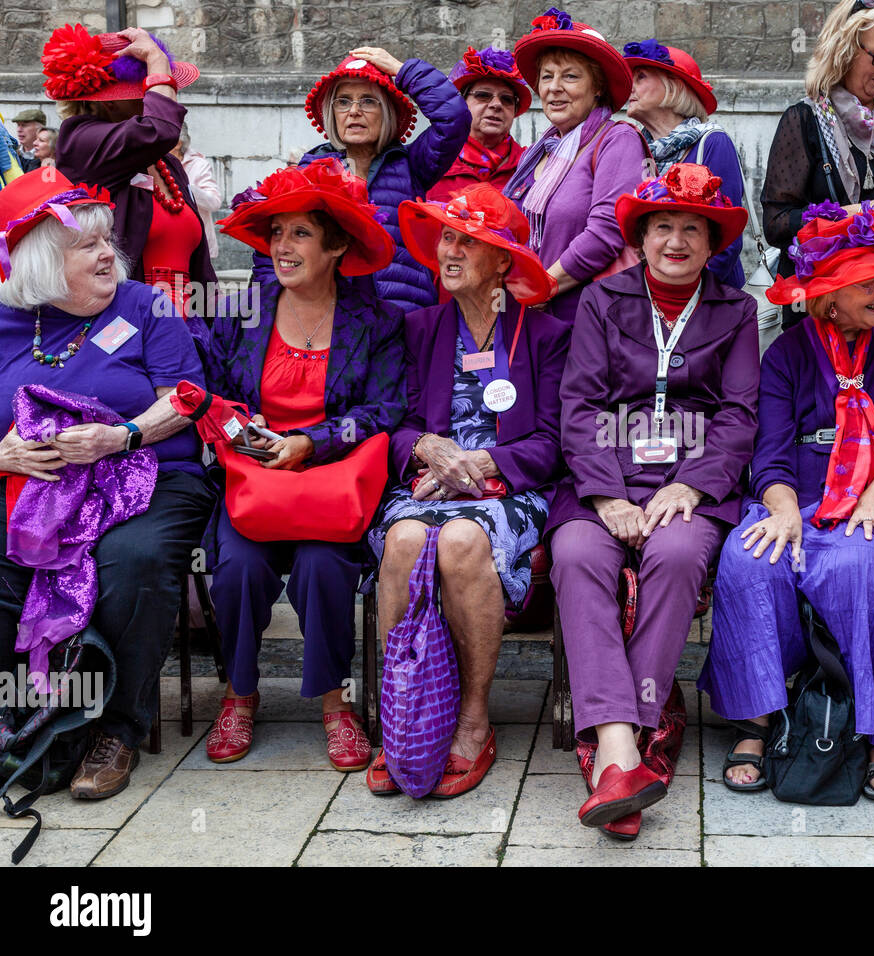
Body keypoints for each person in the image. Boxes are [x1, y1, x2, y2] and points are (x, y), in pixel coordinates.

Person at [698, 202, 874, 800]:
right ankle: (757, 719)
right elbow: (772, 453)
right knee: (749, 560)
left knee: (860, 562)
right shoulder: (786, 354)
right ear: (830, 297)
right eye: (872, 283)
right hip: (798, 497)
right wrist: (782, 510)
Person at [548, 163, 756, 837]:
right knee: (578, 552)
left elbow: (738, 413)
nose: (676, 240)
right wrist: (606, 496)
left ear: (710, 241)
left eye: (691, 228)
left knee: (675, 552)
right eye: (662, 226)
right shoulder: (603, 301)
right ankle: (622, 748)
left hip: (691, 485)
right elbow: (577, 403)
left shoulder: (736, 309)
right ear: (641, 236)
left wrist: (692, 484)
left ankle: (623, 743)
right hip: (605, 477)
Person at [0, 169, 213, 798]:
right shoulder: (6, 319)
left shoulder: (145, 305)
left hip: (150, 475)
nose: (108, 255)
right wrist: (2, 455)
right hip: (35, 489)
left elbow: (188, 397)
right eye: (87, 246)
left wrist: (122, 436)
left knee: (134, 559)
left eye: (106, 242)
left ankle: (115, 729)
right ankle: (27, 719)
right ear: (41, 263)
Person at [203, 159, 406, 771]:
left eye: (299, 234)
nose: (281, 248)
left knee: (323, 567)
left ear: (338, 245)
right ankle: (239, 693)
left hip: (331, 486)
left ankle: (332, 700)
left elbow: (385, 408)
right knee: (238, 567)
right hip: (252, 480)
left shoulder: (375, 321)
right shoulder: (242, 309)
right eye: (276, 233)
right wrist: (249, 432)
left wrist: (314, 441)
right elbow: (211, 392)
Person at [364, 184, 566, 797]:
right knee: (401, 540)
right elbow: (390, 422)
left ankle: (473, 718)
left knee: (459, 541)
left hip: (508, 491)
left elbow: (558, 441)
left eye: (468, 242)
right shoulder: (418, 328)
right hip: (426, 486)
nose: (449, 250)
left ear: (503, 260)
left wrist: (485, 459)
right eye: (446, 237)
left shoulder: (546, 335)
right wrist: (426, 446)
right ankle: (402, 722)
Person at [760, 0, 874, 331]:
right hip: (825, 307)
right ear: (844, 48)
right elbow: (776, 224)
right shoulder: (804, 119)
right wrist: (856, 212)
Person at [46, 25, 215, 325]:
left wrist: (215, 329)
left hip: (186, 329)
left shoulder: (168, 164)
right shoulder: (81, 141)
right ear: (108, 102)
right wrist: (157, 61)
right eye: (145, 88)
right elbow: (160, 129)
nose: (154, 94)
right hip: (125, 333)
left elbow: (200, 269)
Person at [503, 7, 647, 326]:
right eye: (547, 76)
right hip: (526, 318)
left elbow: (607, 231)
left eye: (570, 76)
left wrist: (543, 286)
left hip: (585, 322)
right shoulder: (540, 150)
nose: (554, 87)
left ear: (597, 88)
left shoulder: (616, 139)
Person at [300, 46, 470, 314]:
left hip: (402, 319)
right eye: (343, 101)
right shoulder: (309, 172)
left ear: (387, 112)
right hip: (330, 323)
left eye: (368, 101)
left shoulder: (411, 165)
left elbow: (454, 118)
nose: (354, 111)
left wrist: (401, 70)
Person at [622, 39, 745, 287]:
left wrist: (686, 295)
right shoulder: (632, 147)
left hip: (707, 299)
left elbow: (727, 241)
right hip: (647, 295)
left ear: (674, 86)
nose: (629, 87)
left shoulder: (712, 142)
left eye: (641, 77)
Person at [426, 46, 531, 204]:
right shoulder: (430, 162)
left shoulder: (530, 166)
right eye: (483, 95)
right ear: (462, 103)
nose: (496, 105)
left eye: (507, 99)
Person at [172, 121, 221, 257]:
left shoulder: (199, 165)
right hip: (168, 244)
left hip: (198, 247)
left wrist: (186, 188)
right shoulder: (155, 164)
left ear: (178, 143)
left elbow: (215, 202)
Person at [13, 108, 46, 173]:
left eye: (24, 125)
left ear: (40, 128)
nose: (19, 130)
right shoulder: (12, 153)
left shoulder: (51, 157)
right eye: (18, 125)